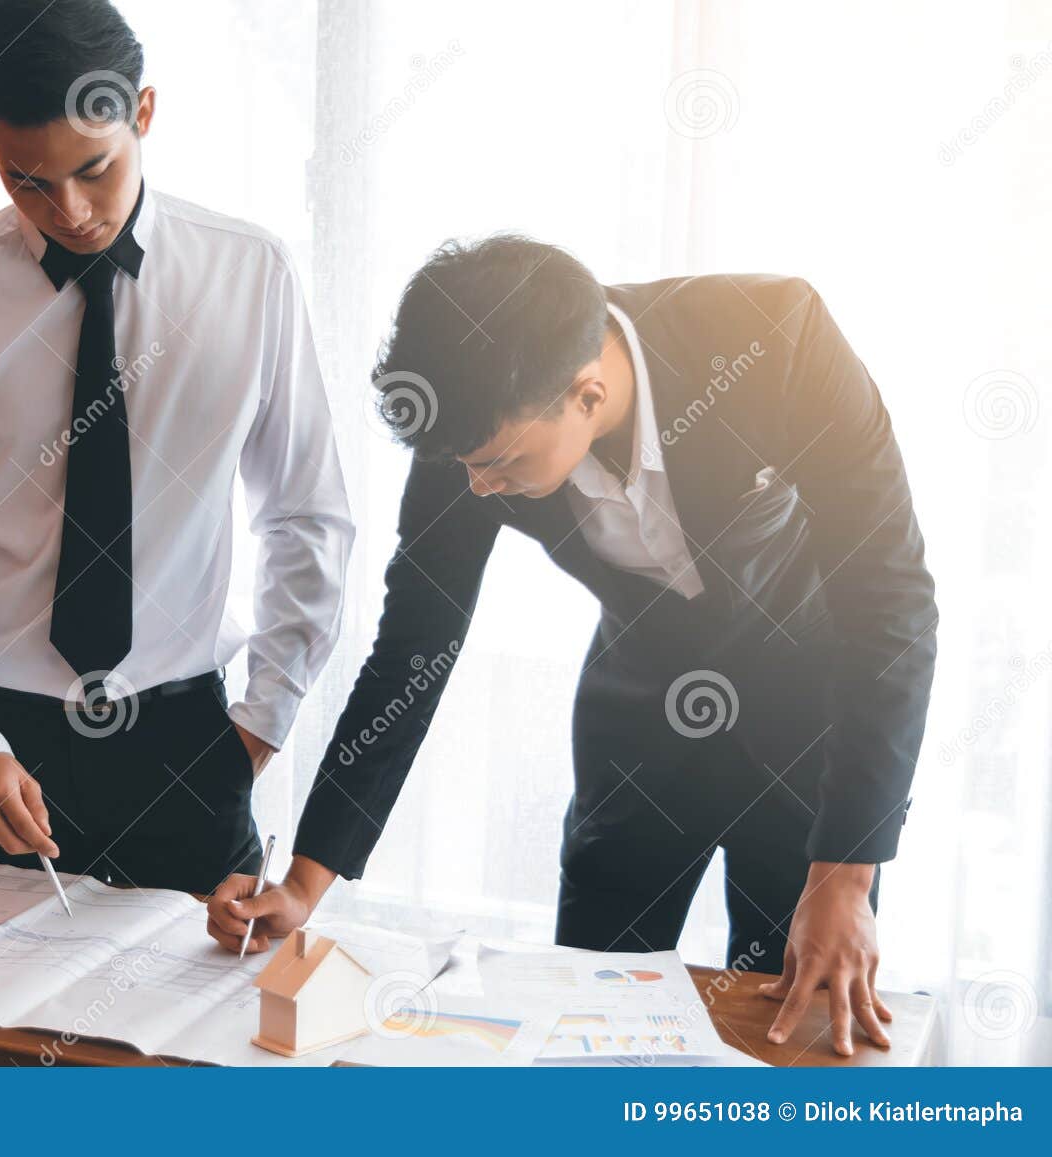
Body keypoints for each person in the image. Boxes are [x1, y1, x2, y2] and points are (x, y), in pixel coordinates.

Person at [208, 234, 937, 1057]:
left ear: (588, 393)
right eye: (470, 468)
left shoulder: (777, 338)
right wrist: (308, 880)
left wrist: (848, 870)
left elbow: (892, 599)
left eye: (500, 466)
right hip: (639, 727)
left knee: (786, 1032)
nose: (478, 488)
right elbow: (416, 644)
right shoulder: (472, 424)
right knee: (587, 1033)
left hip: (813, 726)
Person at [0, 0, 353, 895]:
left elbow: (305, 516)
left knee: (207, 1021)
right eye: (27, 181)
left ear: (143, 113)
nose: (70, 211)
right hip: (5, 741)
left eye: (94, 168)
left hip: (190, 737)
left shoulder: (251, 276)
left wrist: (260, 725)